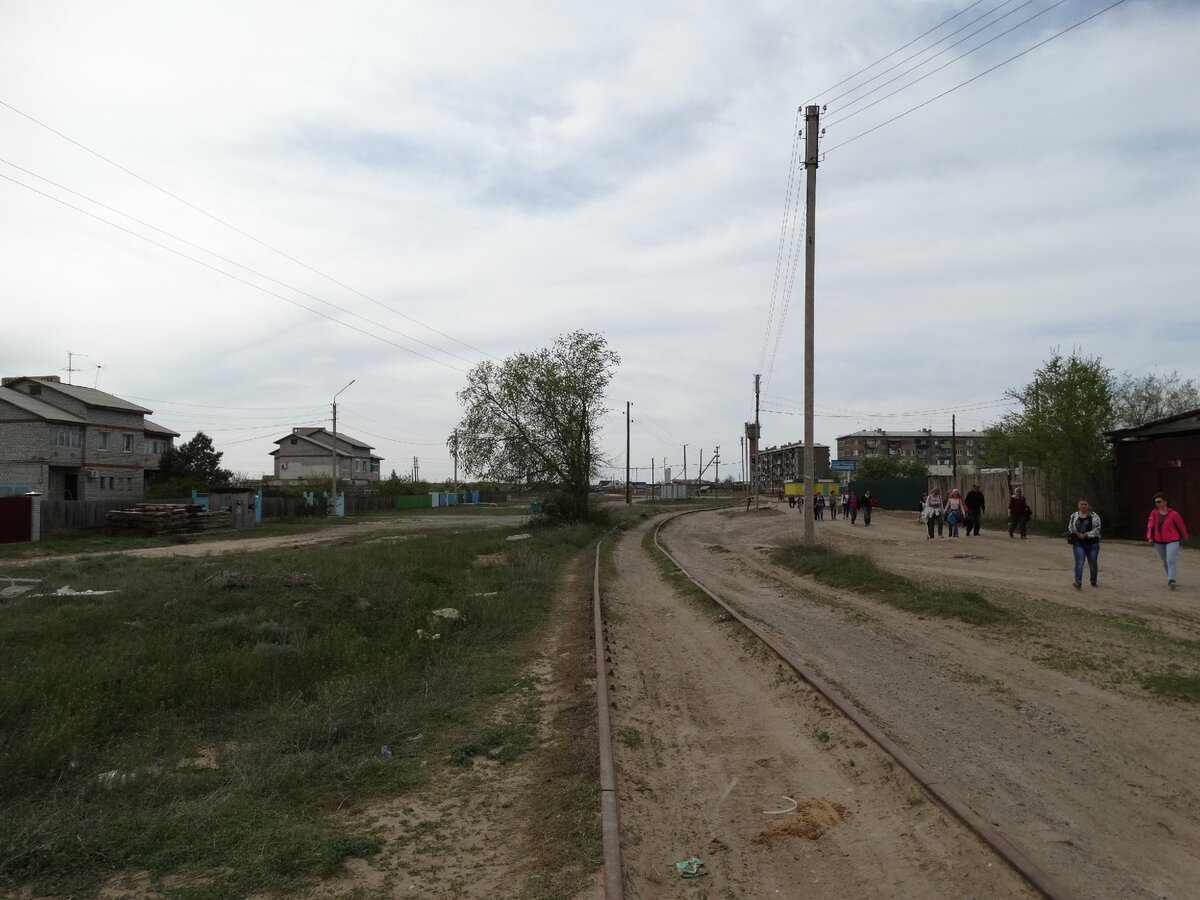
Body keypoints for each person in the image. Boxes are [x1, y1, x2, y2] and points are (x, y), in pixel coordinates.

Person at [1146, 492, 1189, 590]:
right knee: (1165, 561)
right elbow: (1150, 525)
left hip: (1172, 540)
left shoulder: (1174, 514)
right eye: (1156, 502)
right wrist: (1149, 537)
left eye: (1159, 501)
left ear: (1165, 502)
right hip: (1158, 541)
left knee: (1170, 559)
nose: (1157, 503)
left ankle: (1171, 579)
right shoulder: (1154, 513)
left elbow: (1181, 526)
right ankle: (1170, 578)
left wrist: (1185, 536)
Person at [1068, 498, 1101, 589]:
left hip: (1092, 543)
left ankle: (1093, 581)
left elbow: (1098, 529)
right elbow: (1070, 527)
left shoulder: (1095, 516)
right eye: (1081, 504)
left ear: (1088, 505)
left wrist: (1086, 535)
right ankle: (1078, 582)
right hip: (1078, 543)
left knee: (1093, 563)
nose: (1083, 506)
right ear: (1079, 505)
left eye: (1085, 504)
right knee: (1079, 562)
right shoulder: (1074, 516)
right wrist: (1076, 533)